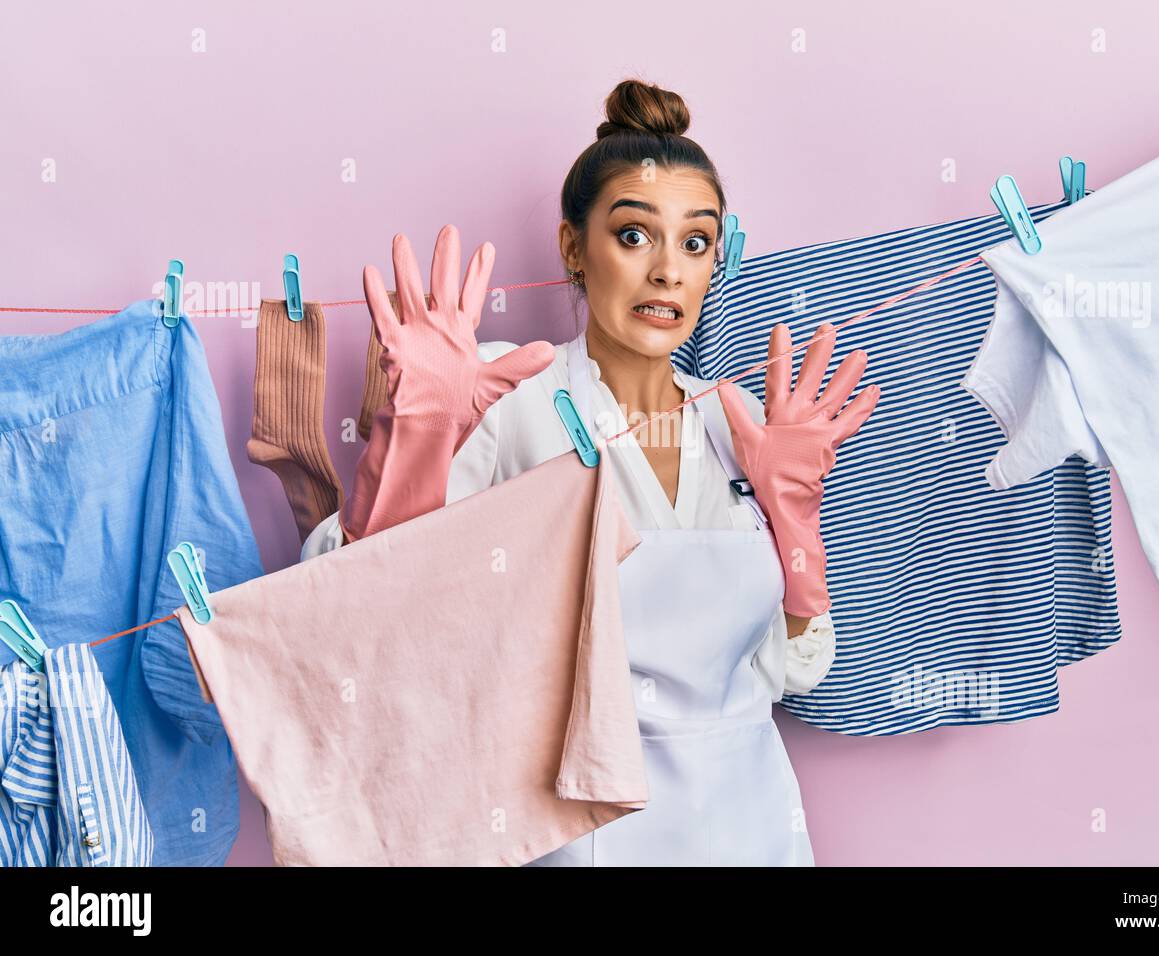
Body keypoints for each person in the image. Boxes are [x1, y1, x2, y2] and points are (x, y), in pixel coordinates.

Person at [303, 79, 881, 866]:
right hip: (581, 826)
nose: (668, 272)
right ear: (574, 248)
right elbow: (354, 605)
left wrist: (799, 530)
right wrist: (413, 445)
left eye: (696, 241)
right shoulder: (509, 392)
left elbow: (796, 671)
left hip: (749, 823)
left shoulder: (739, 419)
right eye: (635, 235)